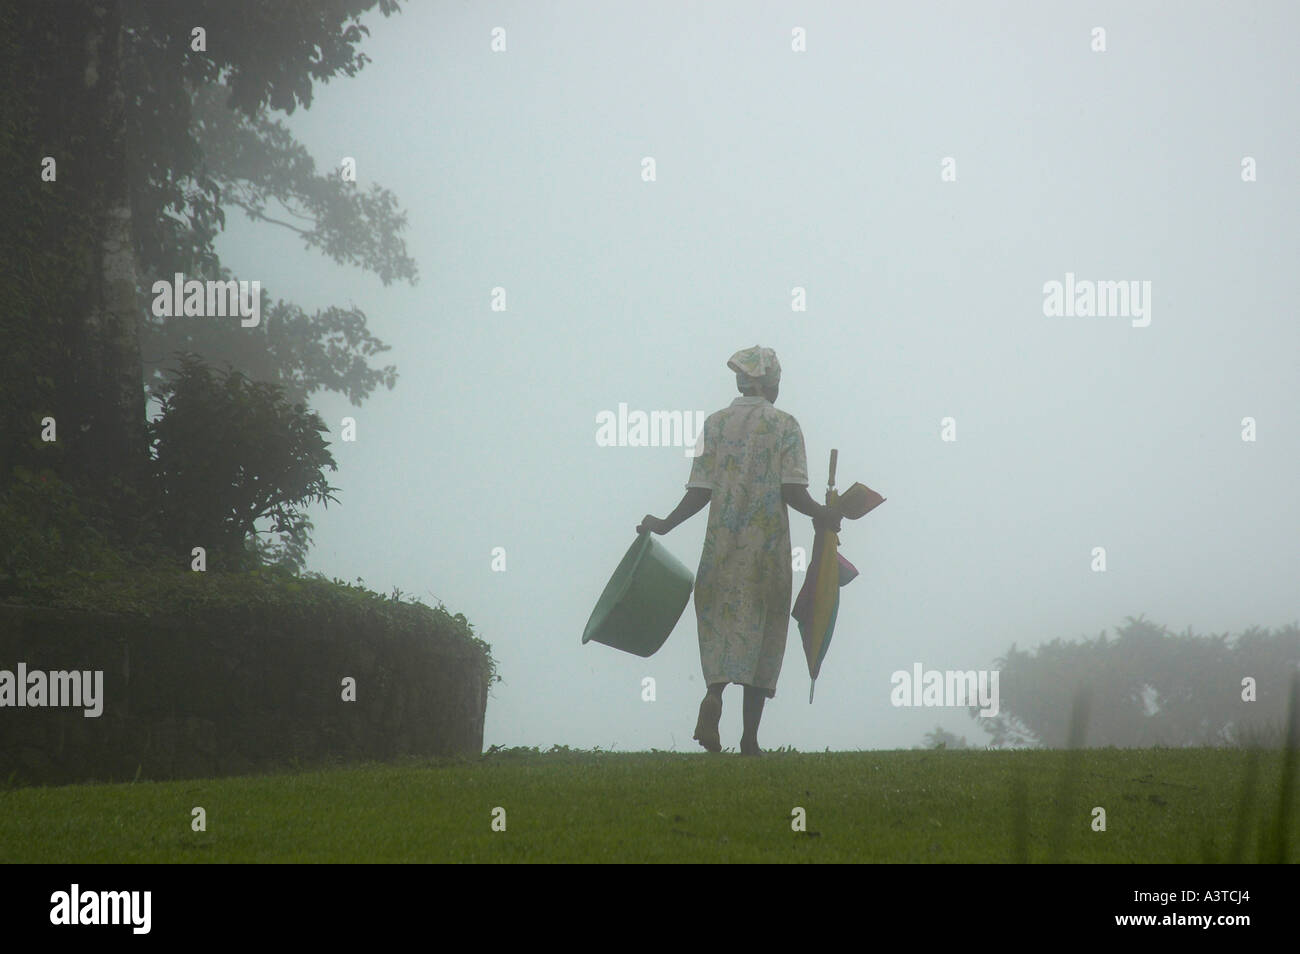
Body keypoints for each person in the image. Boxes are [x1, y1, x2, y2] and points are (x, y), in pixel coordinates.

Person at [637, 346, 841, 756]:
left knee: (724, 631)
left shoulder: (714, 425)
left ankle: (714, 695)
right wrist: (824, 514)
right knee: (762, 637)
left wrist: (664, 523)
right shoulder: (784, 425)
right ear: (768, 383)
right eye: (778, 380)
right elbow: (792, 490)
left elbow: (699, 492)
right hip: (766, 553)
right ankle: (749, 740)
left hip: (720, 552)